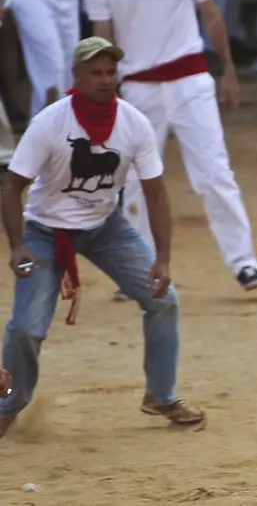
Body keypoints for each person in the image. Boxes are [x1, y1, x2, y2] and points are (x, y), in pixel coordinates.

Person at [0, 37, 206, 440]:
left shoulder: (134, 123)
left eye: (111, 72)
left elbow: (156, 192)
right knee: (26, 328)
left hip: (105, 226)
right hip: (45, 230)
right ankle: (7, 405)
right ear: (76, 76)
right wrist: (17, 246)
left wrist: (162, 258)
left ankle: (160, 395)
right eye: (96, 72)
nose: (106, 79)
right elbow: (10, 186)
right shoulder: (50, 123)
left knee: (163, 300)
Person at [86, 0, 257, 292]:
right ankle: (139, 266)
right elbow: (101, 40)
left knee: (215, 172)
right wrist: (103, 92)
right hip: (137, 88)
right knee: (132, 180)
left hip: (190, 81)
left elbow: (213, 16)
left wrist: (229, 72)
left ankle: (243, 262)